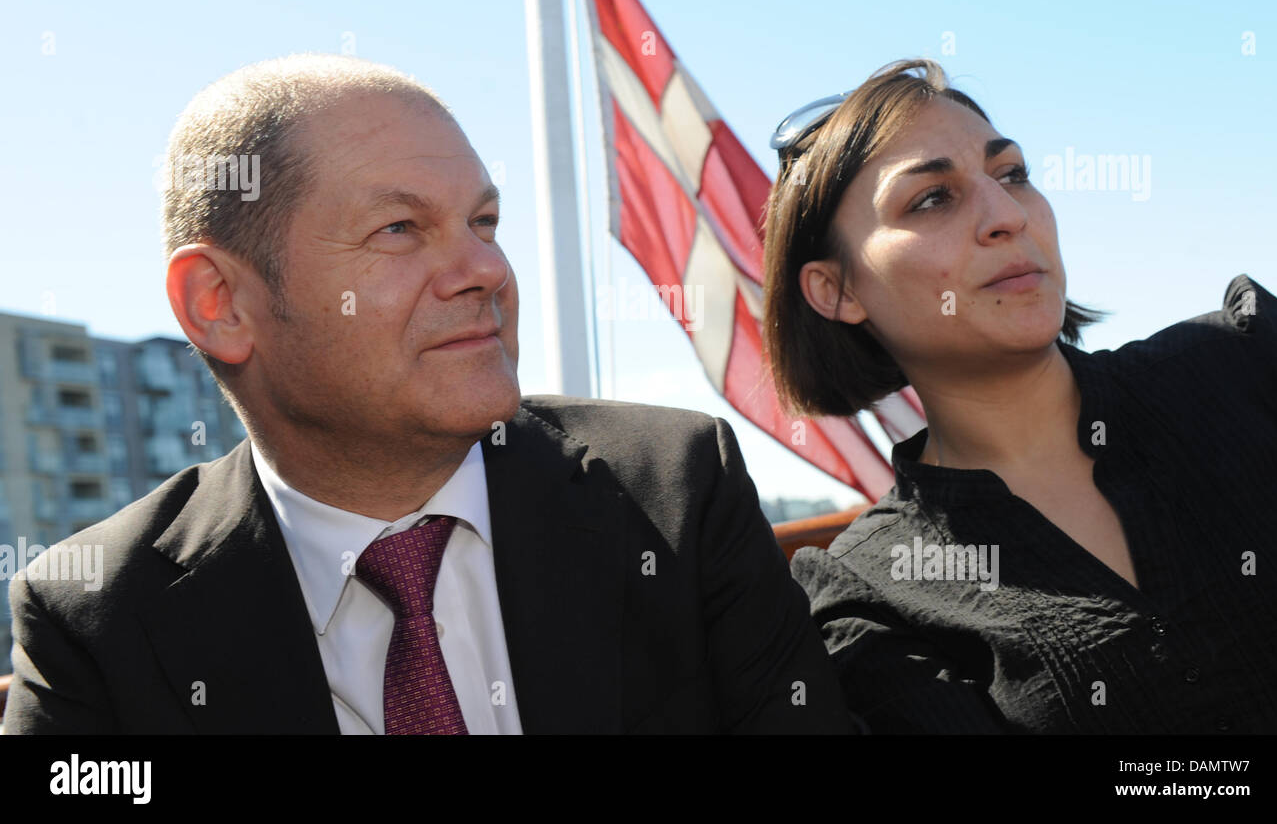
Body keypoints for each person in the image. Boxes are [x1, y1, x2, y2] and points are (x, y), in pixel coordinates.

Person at [5, 54, 852, 735]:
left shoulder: (674, 488)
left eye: (484, 222)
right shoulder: (97, 617)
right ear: (219, 304)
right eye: (400, 229)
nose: (487, 270)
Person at [763, 58, 1277, 733]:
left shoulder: (1253, 362)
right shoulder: (873, 598)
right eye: (932, 197)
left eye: (1011, 173)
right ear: (835, 290)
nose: (1006, 214)